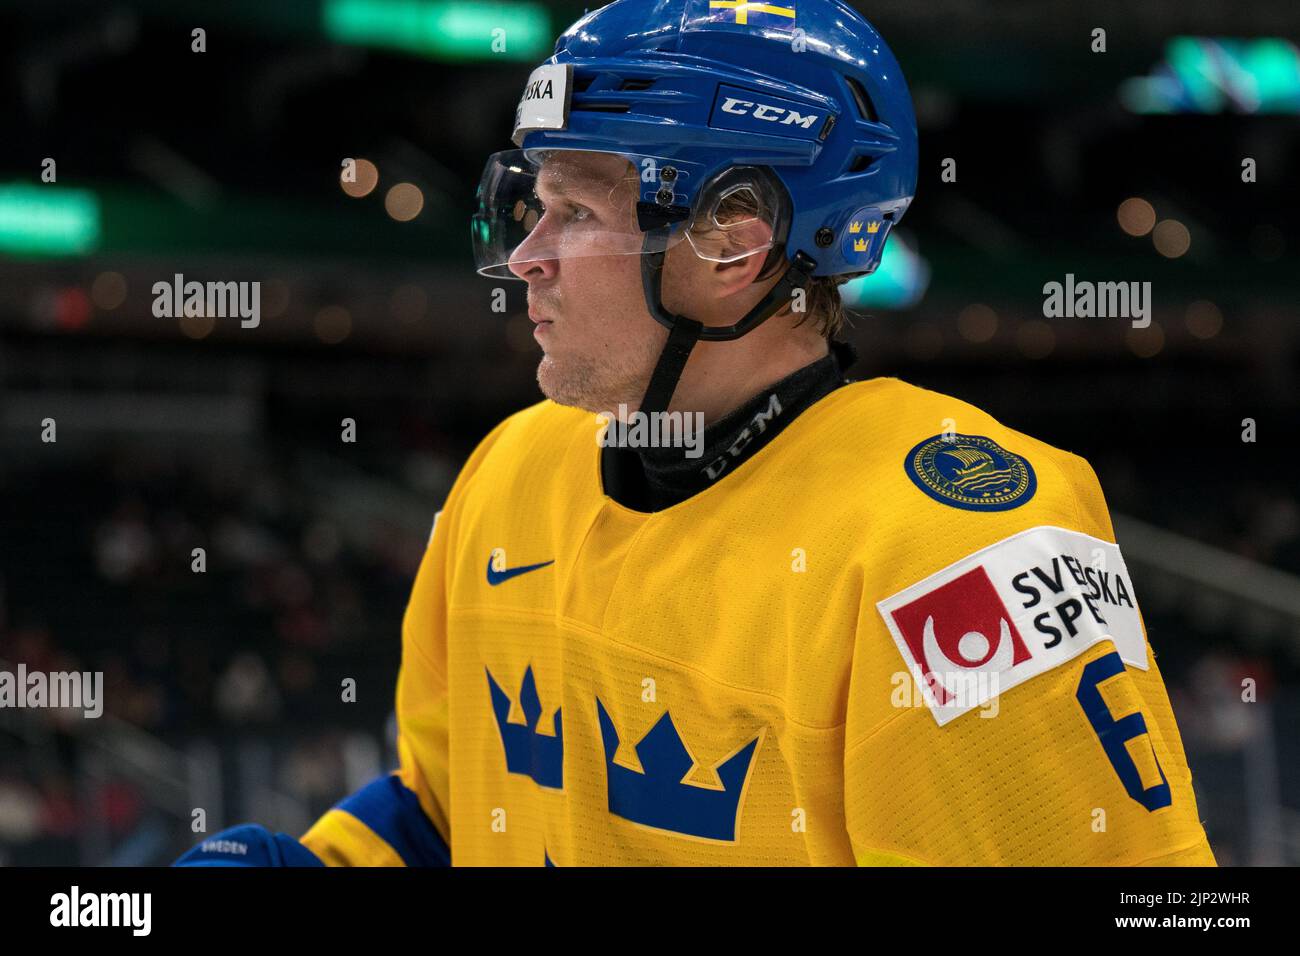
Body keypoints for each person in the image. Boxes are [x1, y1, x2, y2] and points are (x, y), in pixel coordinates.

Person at [177, 0, 1215, 866]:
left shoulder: (952, 549)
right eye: (529, 207)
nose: (525, 256)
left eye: (575, 213)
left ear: (733, 241)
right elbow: (454, 805)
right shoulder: (514, 469)